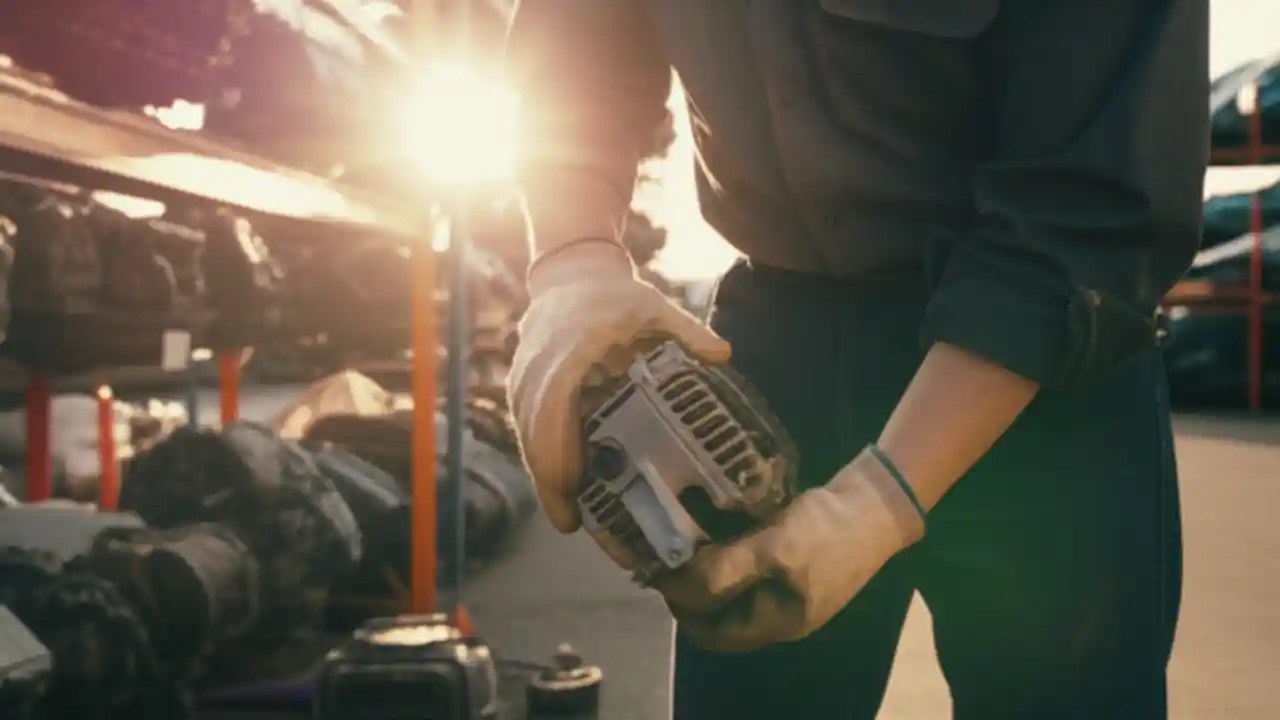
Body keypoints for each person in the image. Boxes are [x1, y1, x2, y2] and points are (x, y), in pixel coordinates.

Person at [503, 2, 1207, 718]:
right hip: (778, 342)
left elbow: (1092, 192)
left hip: (1043, 374)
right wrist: (574, 262)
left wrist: (876, 505)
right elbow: (578, 45)